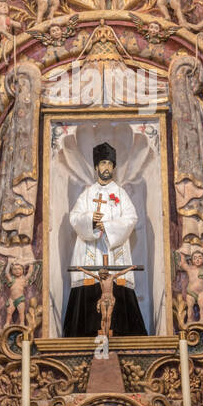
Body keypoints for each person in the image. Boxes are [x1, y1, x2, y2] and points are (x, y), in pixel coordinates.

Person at [63, 142, 146, 337]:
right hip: (89, 249)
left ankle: (120, 335)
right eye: (102, 163)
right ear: (96, 167)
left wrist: (106, 226)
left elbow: (131, 218)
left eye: (109, 164)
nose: (106, 168)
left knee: (117, 289)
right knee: (88, 287)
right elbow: (74, 217)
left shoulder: (120, 193)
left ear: (114, 167)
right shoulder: (87, 194)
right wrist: (91, 221)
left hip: (113, 249)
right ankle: (86, 335)